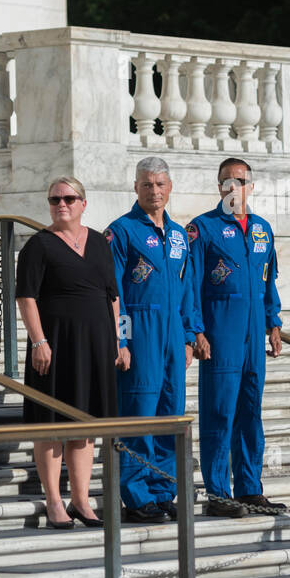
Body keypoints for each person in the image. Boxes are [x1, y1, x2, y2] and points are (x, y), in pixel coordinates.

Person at [15, 177, 119, 530]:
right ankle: (54, 501)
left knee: (84, 425)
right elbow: (26, 297)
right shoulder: (38, 246)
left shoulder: (101, 244)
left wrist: (118, 341)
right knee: (50, 423)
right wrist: (38, 341)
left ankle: (80, 498)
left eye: (69, 198)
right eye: (55, 199)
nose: (62, 204)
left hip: (95, 345)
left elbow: (113, 296)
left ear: (83, 203)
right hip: (55, 345)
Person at [105, 157, 202, 523]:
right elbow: (114, 293)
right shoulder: (122, 232)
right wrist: (121, 340)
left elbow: (187, 287)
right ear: (135, 188)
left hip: (173, 335)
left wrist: (190, 335)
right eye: (147, 184)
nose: (154, 191)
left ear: (170, 187)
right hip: (141, 332)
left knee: (169, 413)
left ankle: (163, 491)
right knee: (138, 413)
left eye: (160, 184)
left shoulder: (179, 235)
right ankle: (136, 494)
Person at [187, 158, 285, 517]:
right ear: (219, 187)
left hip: (254, 333)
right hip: (220, 334)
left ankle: (249, 488)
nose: (234, 187)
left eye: (240, 181)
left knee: (250, 412)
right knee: (219, 412)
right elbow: (190, 286)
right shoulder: (203, 229)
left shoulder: (262, 229)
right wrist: (195, 330)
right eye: (227, 181)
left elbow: (267, 280)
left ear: (251, 186)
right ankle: (219, 493)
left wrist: (274, 322)